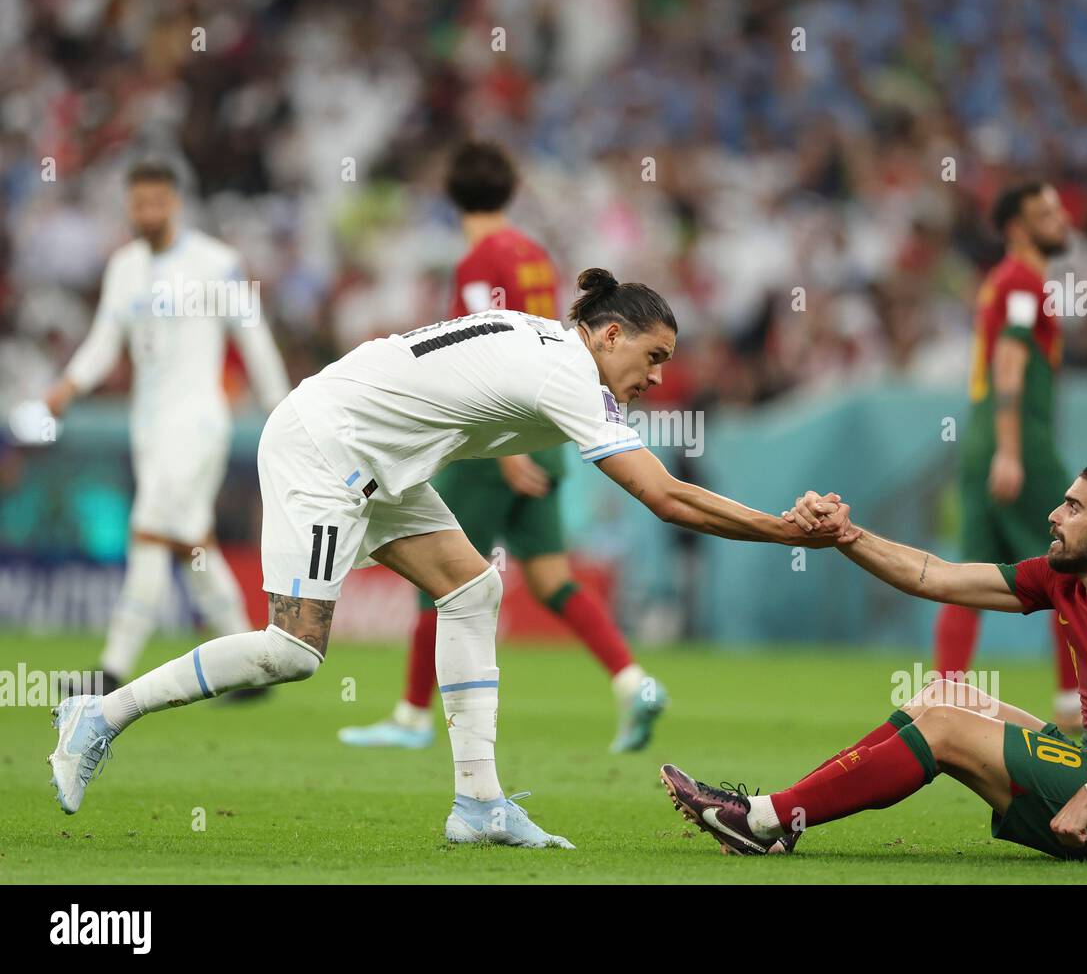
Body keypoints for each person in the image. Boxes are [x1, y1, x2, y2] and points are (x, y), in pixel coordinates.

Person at [48, 269, 852, 851]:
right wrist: (787, 531)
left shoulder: (552, 347)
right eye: (653, 355)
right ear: (610, 333)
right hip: (325, 449)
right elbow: (667, 498)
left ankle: (479, 803)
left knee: (472, 588)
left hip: (375, 455)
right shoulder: (568, 373)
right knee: (293, 649)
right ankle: (99, 714)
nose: (657, 376)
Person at [662, 461, 1087, 863]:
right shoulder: (1065, 579)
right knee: (944, 697)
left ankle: (762, 820)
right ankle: (779, 819)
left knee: (947, 727)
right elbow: (938, 577)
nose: (1054, 514)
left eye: (1073, 507)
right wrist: (845, 536)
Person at [339, 141, 667, 755]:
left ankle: (411, 717)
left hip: (502, 440)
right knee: (551, 579)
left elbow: (489, 357)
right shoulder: (534, 252)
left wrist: (506, 453)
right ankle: (633, 681)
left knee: (437, 572)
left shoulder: (477, 261)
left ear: (451, 196)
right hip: (550, 434)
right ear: (511, 193)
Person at [44, 160, 289, 699]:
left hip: (198, 422)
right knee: (191, 544)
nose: (147, 212)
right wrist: (68, 387)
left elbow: (254, 339)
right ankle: (253, 664)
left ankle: (110, 670)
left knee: (150, 531)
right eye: (138, 204)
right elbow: (105, 340)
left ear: (175, 202)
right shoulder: (125, 267)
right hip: (148, 428)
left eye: (156, 202)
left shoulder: (215, 263)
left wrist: (282, 408)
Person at [934, 182, 1081, 732]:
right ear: (1018, 228)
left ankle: (941, 703)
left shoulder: (1001, 283)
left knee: (964, 578)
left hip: (981, 441)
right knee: (1079, 560)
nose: (1062, 218)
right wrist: (1013, 452)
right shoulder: (1022, 282)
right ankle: (1075, 707)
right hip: (1016, 440)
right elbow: (1012, 357)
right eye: (1047, 212)